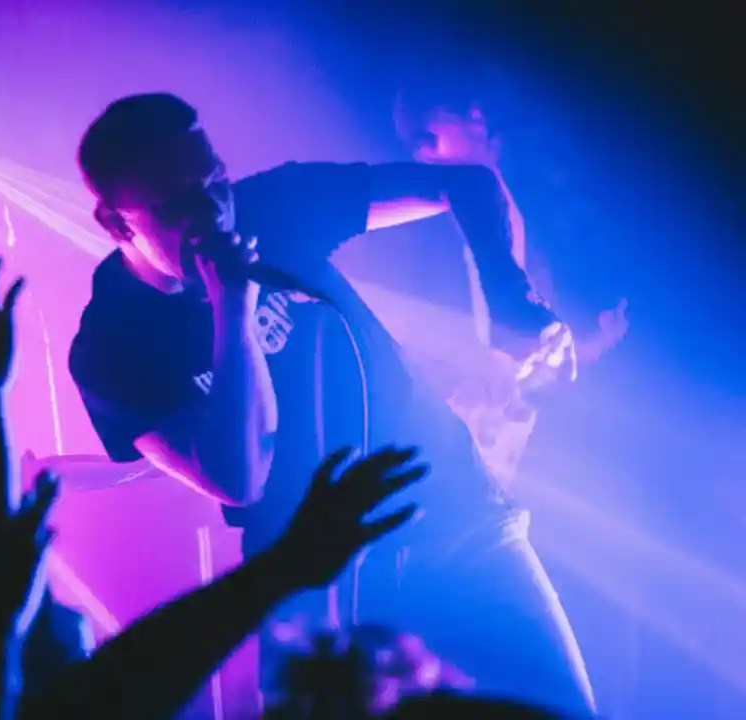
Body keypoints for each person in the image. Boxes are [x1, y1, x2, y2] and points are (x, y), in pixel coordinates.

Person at [67, 93, 595, 714]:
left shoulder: (276, 206)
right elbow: (237, 478)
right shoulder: (113, 343)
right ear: (116, 222)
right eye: (180, 204)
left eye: (216, 179)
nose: (214, 211)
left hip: (460, 521)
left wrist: (511, 294)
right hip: (317, 582)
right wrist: (231, 304)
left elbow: (466, 184)